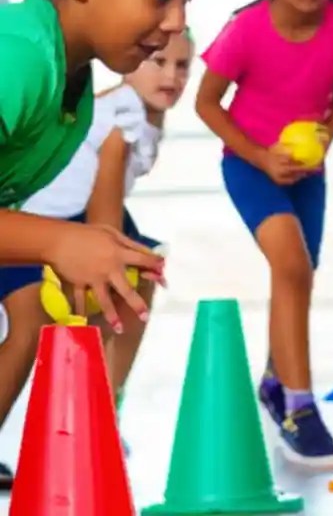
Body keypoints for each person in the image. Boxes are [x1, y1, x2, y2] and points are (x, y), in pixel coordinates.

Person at [0, 0, 213, 345]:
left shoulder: (73, 89)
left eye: (187, 0)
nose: (177, 21)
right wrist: (58, 240)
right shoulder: (17, 58)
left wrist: (83, 246)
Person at [195, 0, 333, 470]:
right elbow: (206, 103)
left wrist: (324, 139)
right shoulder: (246, 30)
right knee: (293, 266)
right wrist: (261, 157)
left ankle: (276, 381)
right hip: (250, 166)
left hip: (307, 174)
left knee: (297, 276)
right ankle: (300, 409)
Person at [3, 30, 195, 456]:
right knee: (44, 325)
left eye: (182, 66)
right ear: (132, 65)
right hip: (49, 226)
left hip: (72, 218)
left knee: (136, 280)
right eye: (159, 62)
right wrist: (110, 265)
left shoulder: (139, 113)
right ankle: (98, 413)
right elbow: (104, 213)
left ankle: (101, 409)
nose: (171, 77)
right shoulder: (121, 118)